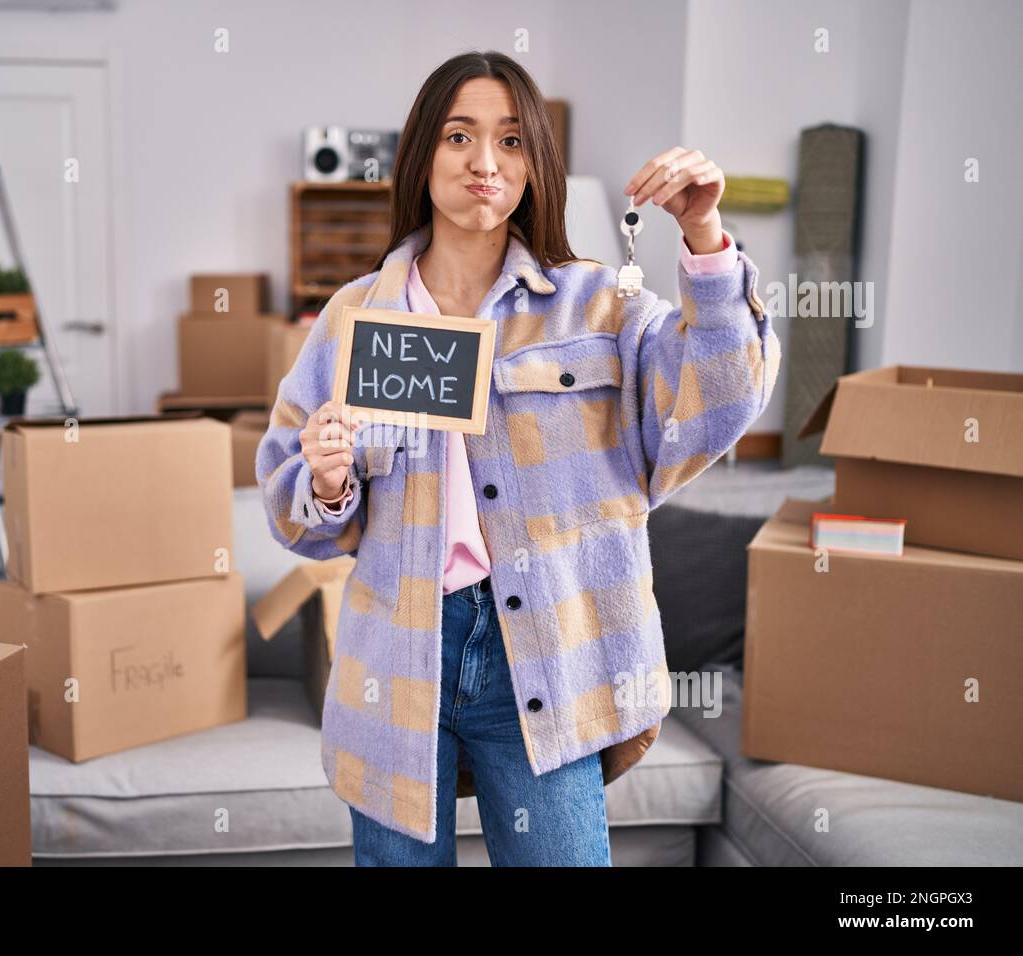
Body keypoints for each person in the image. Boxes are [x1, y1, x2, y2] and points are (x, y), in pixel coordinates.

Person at [256, 50, 780, 866]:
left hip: (548, 644)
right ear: (423, 154)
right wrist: (326, 481)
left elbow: (715, 406)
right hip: (398, 654)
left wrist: (705, 239)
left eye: (509, 141)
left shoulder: (599, 303)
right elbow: (289, 499)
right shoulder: (355, 316)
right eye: (459, 136)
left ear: (535, 163)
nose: (483, 163)